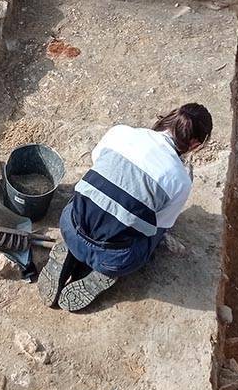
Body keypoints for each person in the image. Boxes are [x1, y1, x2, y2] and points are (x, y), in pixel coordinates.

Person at [39, 103, 213, 312]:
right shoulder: (180, 180)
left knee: (89, 191)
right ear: (194, 143)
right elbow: (161, 222)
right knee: (158, 231)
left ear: (168, 119)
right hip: (113, 259)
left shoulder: (120, 133)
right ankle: (102, 270)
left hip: (70, 226)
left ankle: (73, 245)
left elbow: (97, 161)